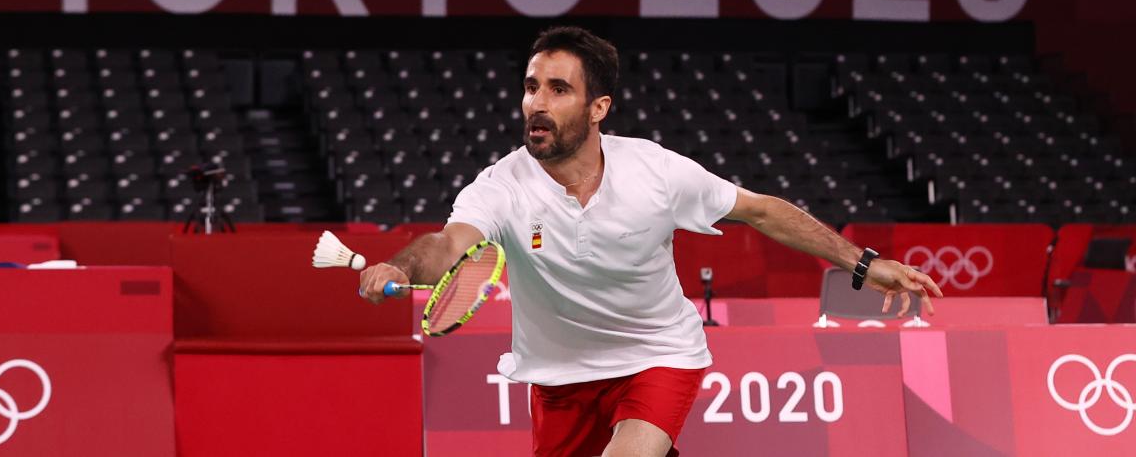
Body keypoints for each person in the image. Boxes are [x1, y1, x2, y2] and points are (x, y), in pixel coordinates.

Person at [359, 26, 943, 457]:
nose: (536, 102)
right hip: (558, 380)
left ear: (598, 108)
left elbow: (762, 211)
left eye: (558, 89)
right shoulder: (501, 186)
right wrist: (401, 263)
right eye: (531, 86)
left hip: (655, 356)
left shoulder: (656, 172)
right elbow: (446, 244)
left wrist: (863, 263)